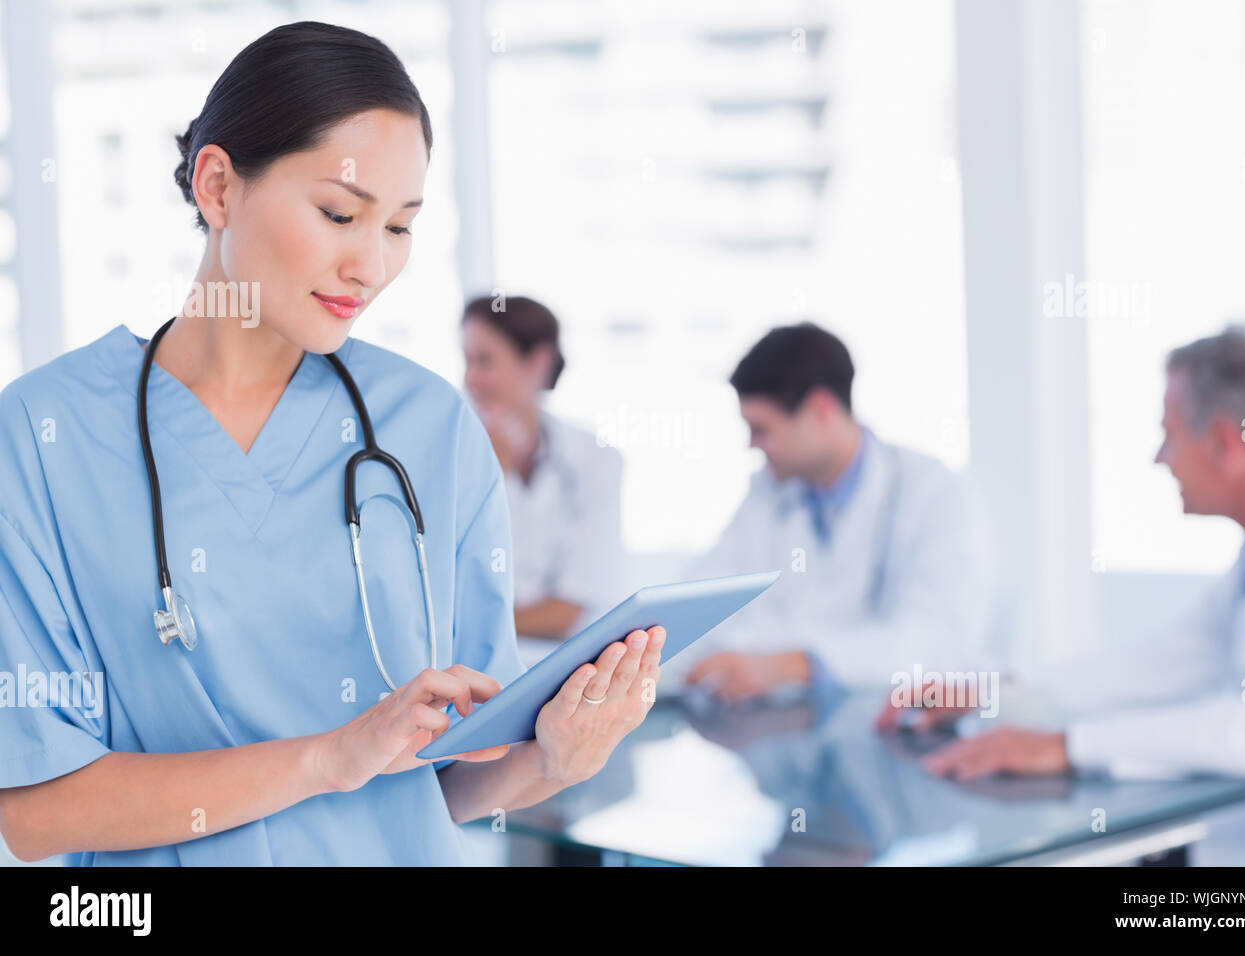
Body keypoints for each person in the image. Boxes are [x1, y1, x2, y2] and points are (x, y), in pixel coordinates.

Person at [0, 21, 665, 866]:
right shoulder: (42, 435)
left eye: (399, 227)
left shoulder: (430, 428)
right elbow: (35, 810)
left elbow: (452, 776)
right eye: (339, 213)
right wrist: (326, 760)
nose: (370, 267)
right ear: (218, 187)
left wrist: (553, 758)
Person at [898, 329, 1245, 865]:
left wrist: (1070, 747)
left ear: (1226, 443)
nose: (1161, 458)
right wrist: (1002, 695)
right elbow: (1166, 662)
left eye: (1170, 436)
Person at [674, 322, 996, 702]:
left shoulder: (934, 493)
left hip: (899, 726)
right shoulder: (769, 493)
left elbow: (939, 643)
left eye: (762, 429)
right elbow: (706, 595)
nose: (752, 445)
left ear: (821, 411)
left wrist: (796, 665)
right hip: (789, 731)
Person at [461, 294, 625, 640]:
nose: (470, 379)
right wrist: (494, 475)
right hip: (465, 662)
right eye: (467, 361)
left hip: (563, 660)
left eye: (485, 361)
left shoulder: (595, 460)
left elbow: (574, 606)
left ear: (539, 362)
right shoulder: (451, 453)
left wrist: (471, 623)